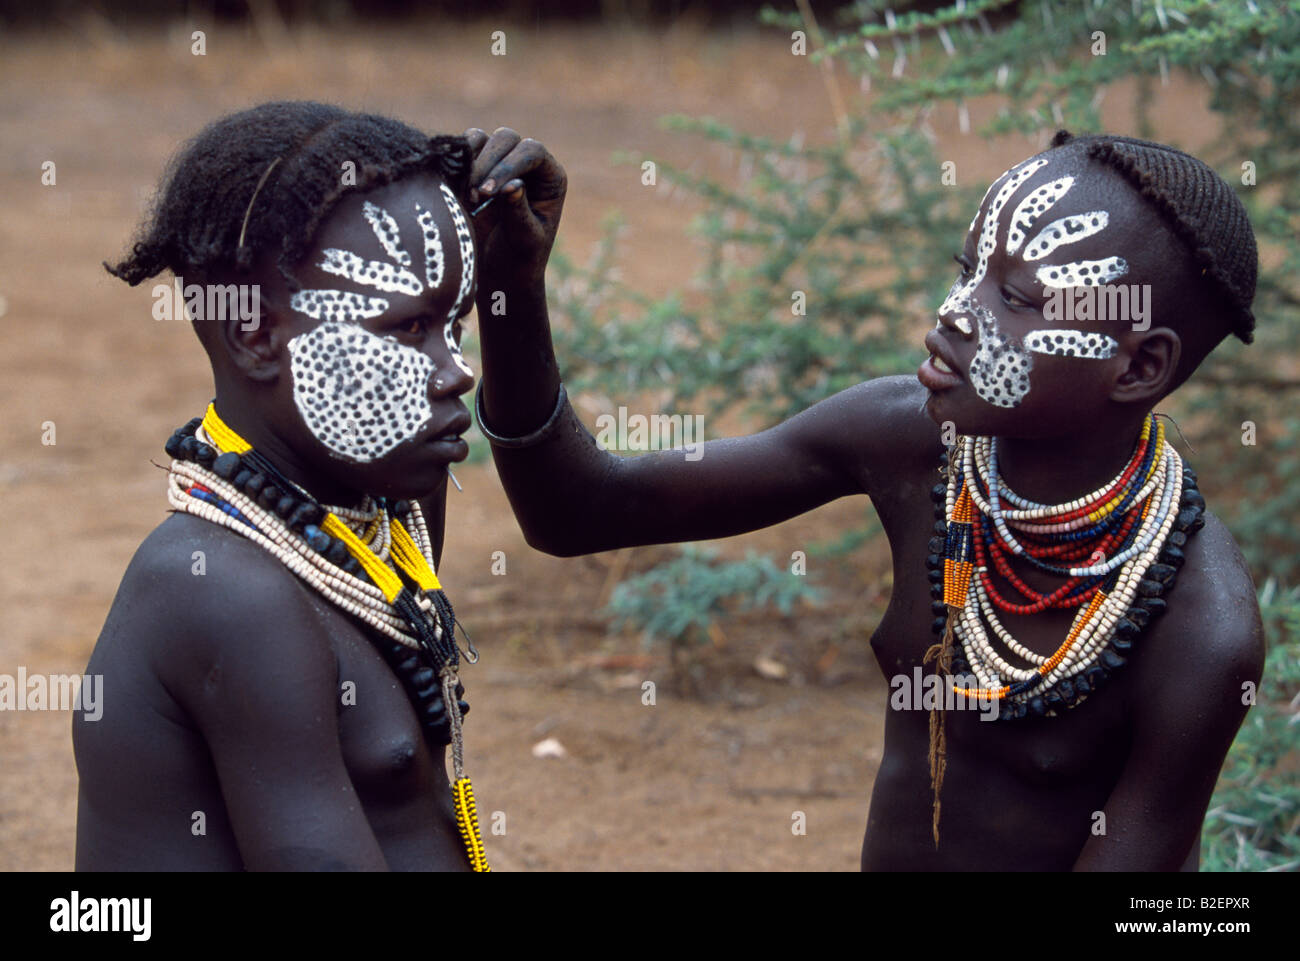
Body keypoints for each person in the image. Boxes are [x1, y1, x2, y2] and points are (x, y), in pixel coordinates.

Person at [467, 125, 1266, 870]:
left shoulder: (1200, 626)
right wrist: (510, 289)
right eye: (967, 274)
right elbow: (576, 511)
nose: (952, 316)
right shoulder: (912, 443)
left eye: (1016, 300)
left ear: (1137, 366)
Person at [75, 102, 490, 871]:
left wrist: (520, 288)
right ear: (256, 335)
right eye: (406, 329)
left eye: (455, 324)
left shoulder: (374, 512)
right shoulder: (224, 592)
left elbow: (575, 507)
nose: (455, 368)